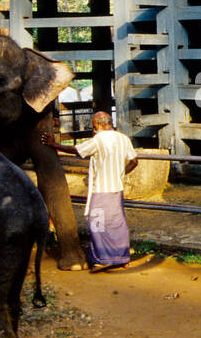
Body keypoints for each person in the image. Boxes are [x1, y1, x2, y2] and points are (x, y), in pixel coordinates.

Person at [42, 111, 138, 272]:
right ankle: (122, 257)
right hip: (117, 189)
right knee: (117, 222)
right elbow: (134, 161)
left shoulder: (99, 139)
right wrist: (121, 173)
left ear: (99, 125)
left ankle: (103, 258)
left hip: (102, 190)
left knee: (96, 223)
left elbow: (77, 150)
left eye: (94, 126)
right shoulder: (123, 138)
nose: (94, 129)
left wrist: (54, 145)